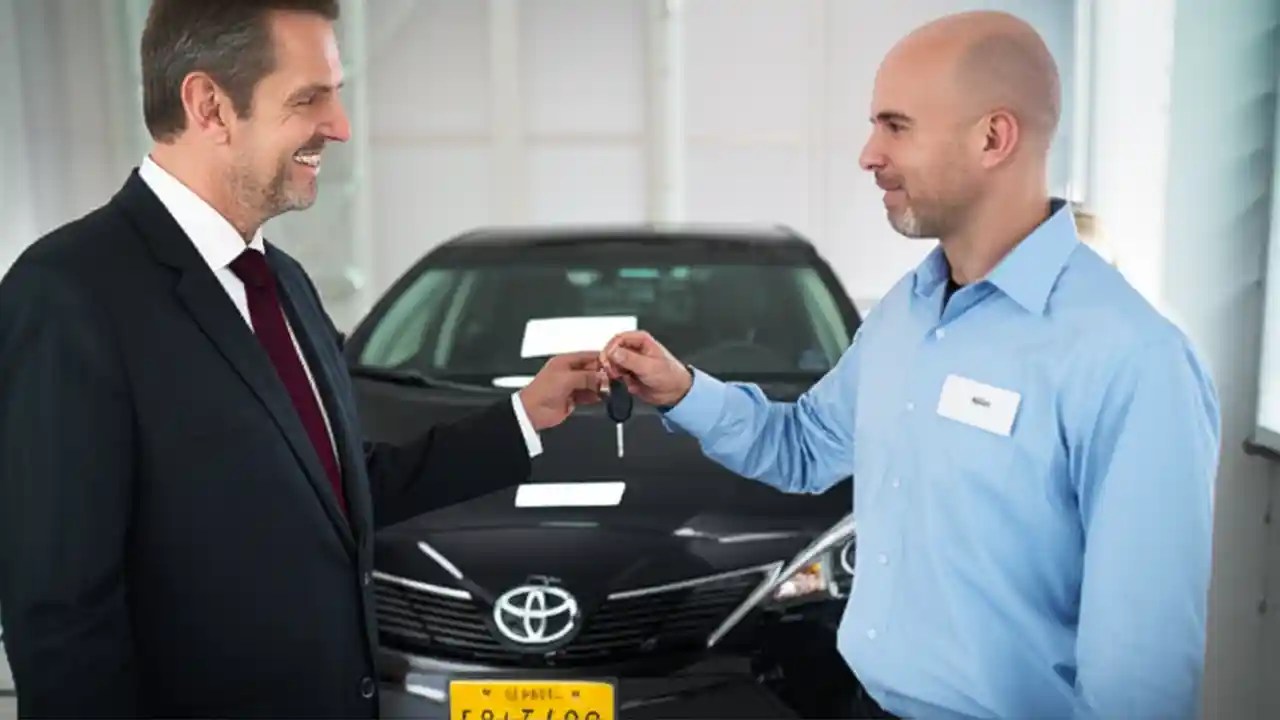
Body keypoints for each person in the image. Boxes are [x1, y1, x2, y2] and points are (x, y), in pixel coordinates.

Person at [603, 10, 1220, 720]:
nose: (869, 154)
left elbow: (1139, 682)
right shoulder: (908, 311)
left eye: (896, 126)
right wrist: (683, 392)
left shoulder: (1133, 360)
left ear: (993, 137)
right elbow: (804, 448)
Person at [0, 1, 604, 717]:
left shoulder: (282, 282)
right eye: (308, 98)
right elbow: (62, 618)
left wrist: (524, 417)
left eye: (336, 95)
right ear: (210, 106)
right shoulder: (71, 294)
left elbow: (337, 489)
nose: (340, 127)